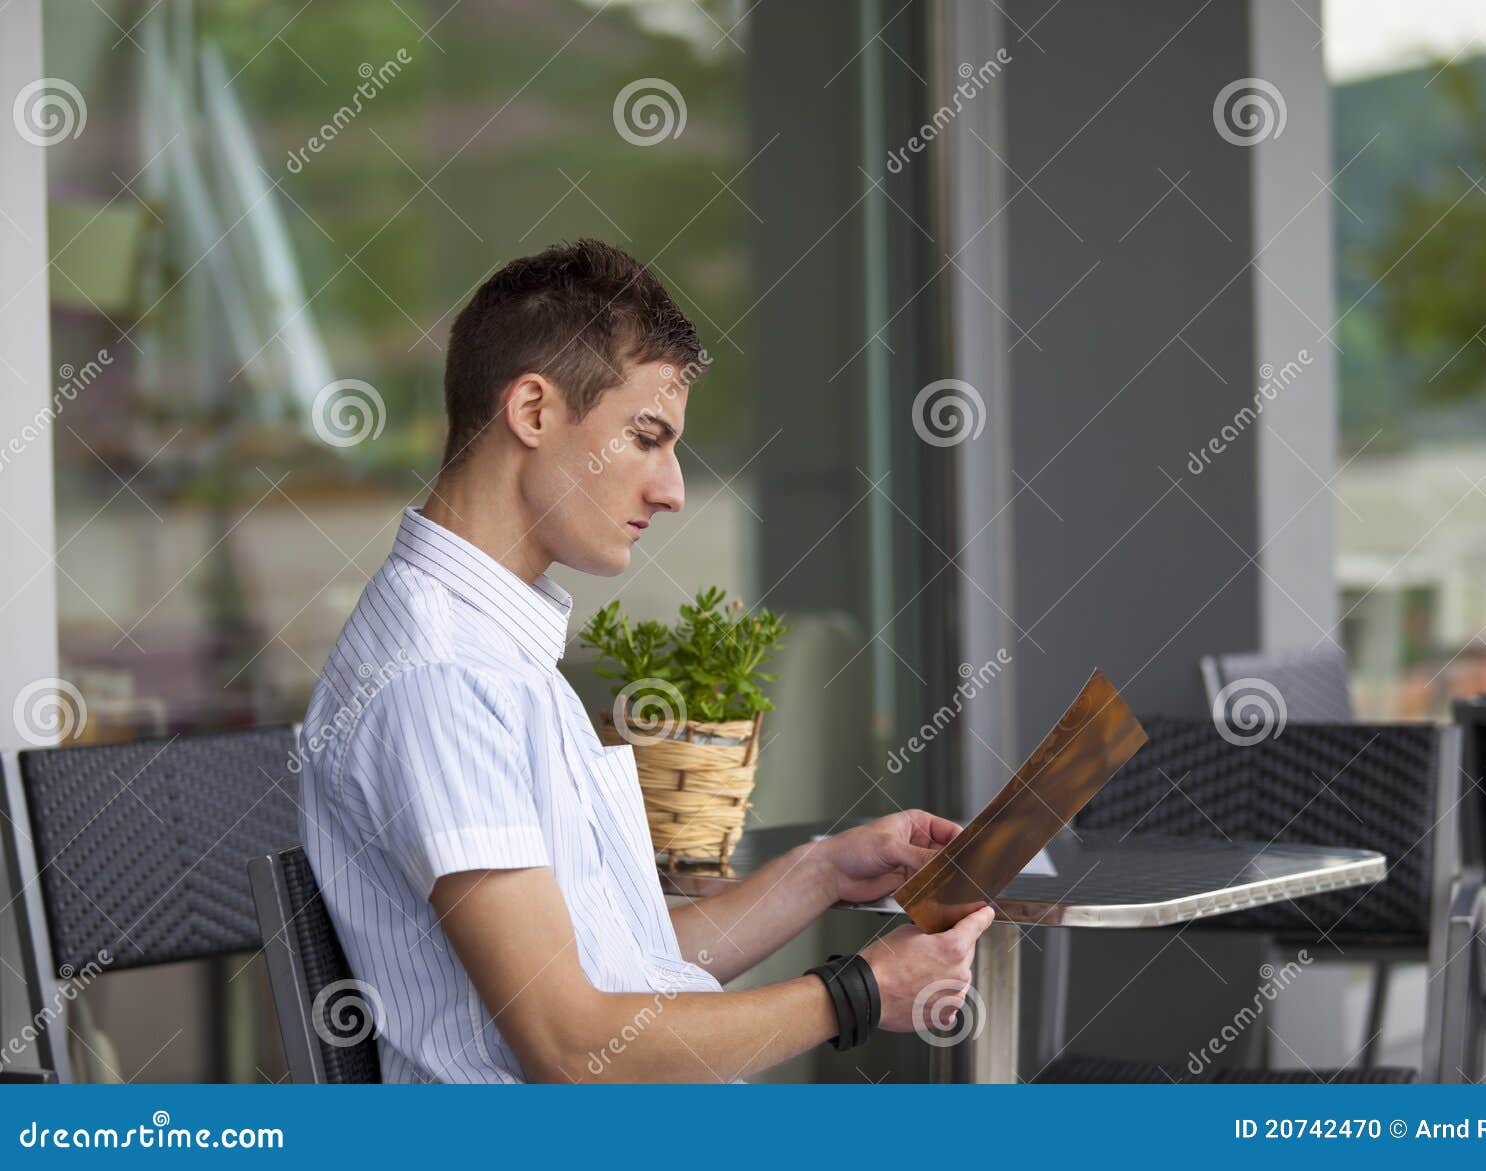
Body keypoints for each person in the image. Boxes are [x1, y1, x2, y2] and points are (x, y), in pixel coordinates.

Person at [298, 238, 996, 1082]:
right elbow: (575, 1046)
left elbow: (618, 966)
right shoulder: (442, 680)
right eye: (645, 436)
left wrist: (820, 872)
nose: (670, 489)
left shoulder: (488, 649)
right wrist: (856, 993)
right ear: (533, 411)